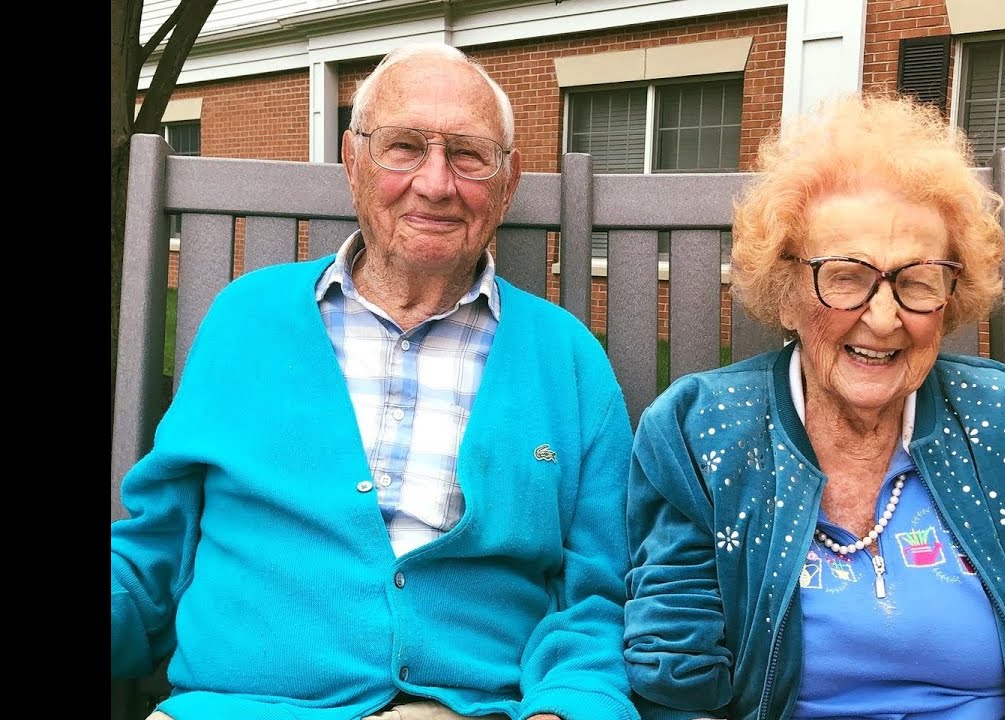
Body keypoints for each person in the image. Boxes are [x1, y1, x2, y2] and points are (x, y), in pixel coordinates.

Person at [111, 43, 639, 720]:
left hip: (471, 710)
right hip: (241, 704)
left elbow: (600, 594)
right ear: (353, 161)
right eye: (404, 147)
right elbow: (159, 545)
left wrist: (566, 705)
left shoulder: (566, 358)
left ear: (507, 185)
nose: (436, 183)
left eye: (470, 155)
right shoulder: (245, 320)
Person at [622, 91, 1005, 720]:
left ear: (953, 298)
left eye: (918, 281)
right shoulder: (699, 432)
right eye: (846, 277)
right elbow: (674, 676)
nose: (885, 317)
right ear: (787, 294)